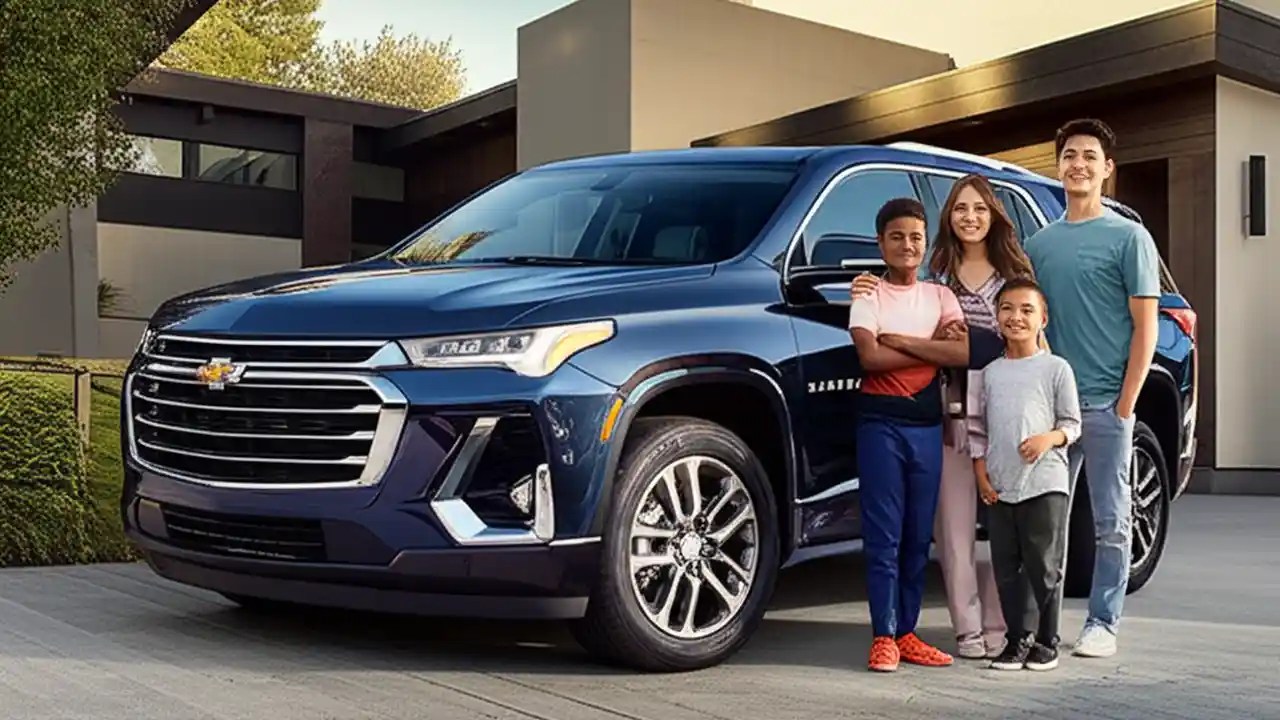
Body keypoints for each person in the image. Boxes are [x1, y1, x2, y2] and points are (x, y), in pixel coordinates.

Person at [850, 173, 1036, 660]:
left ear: (994, 214)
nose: (970, 217)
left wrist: (907, 343)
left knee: (1006, 524)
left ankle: (1005, 627)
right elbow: (936, 352)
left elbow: (972, 345)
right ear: (947, 221)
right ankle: (962, 630)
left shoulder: (1015, 271)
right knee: (947, 530)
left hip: (1008, 407)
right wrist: (938, 352)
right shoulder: (939, 275)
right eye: (960, 209)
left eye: (979, 207)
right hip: (947, 409)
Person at [1025, 118, 1161, 659]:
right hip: (1053, 415)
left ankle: (1103, 622)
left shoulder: (1130, 237)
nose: (1078, 164)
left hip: (1107, 405)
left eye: (1089, 156)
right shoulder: (1039, 244)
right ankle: (1041, 627)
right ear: (1057, 166)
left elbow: (1146, 325)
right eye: (1069, 156)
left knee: (1110, 521)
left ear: (1107, 168)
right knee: (1046, 526)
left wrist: (1127, 402)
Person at [847, 197, 967, 672]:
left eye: (916, 236)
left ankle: (908, 632)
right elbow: (869, 359)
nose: (907, 244)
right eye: (896, 236)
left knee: (918, 535)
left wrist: (901, 341)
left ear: (926, 243)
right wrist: (932, 350)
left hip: (925, 426)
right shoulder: (868, 293)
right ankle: (883, 635)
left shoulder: (940, 296)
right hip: (880, 425)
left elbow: (960, 352)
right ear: (880, 242)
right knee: (884, 534)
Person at [968, 278, 1081, 672]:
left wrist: (1049, 438)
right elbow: (977, 431)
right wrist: (981, 475)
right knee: (1006, 566)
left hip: (1045, 481)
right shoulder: (989, 373)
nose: (1016, 317)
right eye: (1007, 309)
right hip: (1001, 486)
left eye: (1027, 310)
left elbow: (1072, 423)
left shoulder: (1055, 368)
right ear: (997, 316)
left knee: (1043, 564)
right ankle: (1016, 641)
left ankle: (1044, 641)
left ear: (1043, 319)